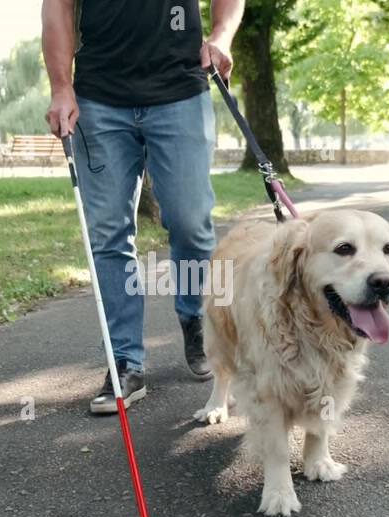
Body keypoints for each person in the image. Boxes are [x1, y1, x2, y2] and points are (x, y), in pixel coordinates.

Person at [42, 0, 245, 414]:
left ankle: (196, 318)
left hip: (181, 93)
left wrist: (221, 36)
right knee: (108, 233)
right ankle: (124, 362)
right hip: (99, 99)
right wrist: (61, 86)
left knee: (191, 222)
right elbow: (58, 7)